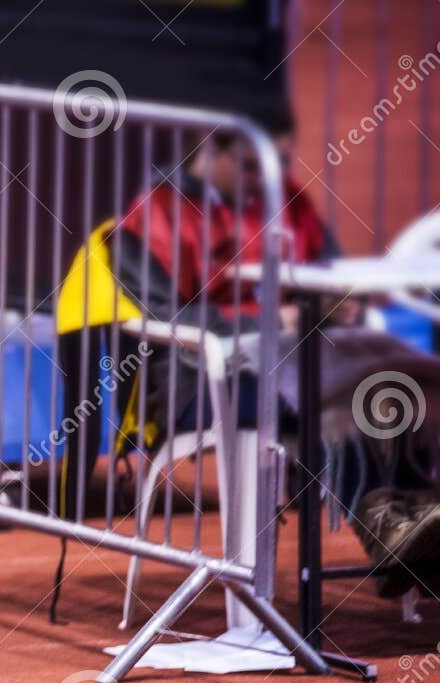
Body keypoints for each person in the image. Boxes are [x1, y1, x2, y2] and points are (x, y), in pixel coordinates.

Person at [108, 107, 440, 598]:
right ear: (209, 148)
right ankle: (390, 519)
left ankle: (409, 517)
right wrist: (265, 320)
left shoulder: (290, 200)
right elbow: (163, 317)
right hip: (202, 368)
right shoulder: (150, 216)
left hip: (303, 346)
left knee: (397, 368)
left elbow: (330, 274)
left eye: (276, 164)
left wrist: (341, 303)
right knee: (346, 379)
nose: (265, 178)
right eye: (250, 165)